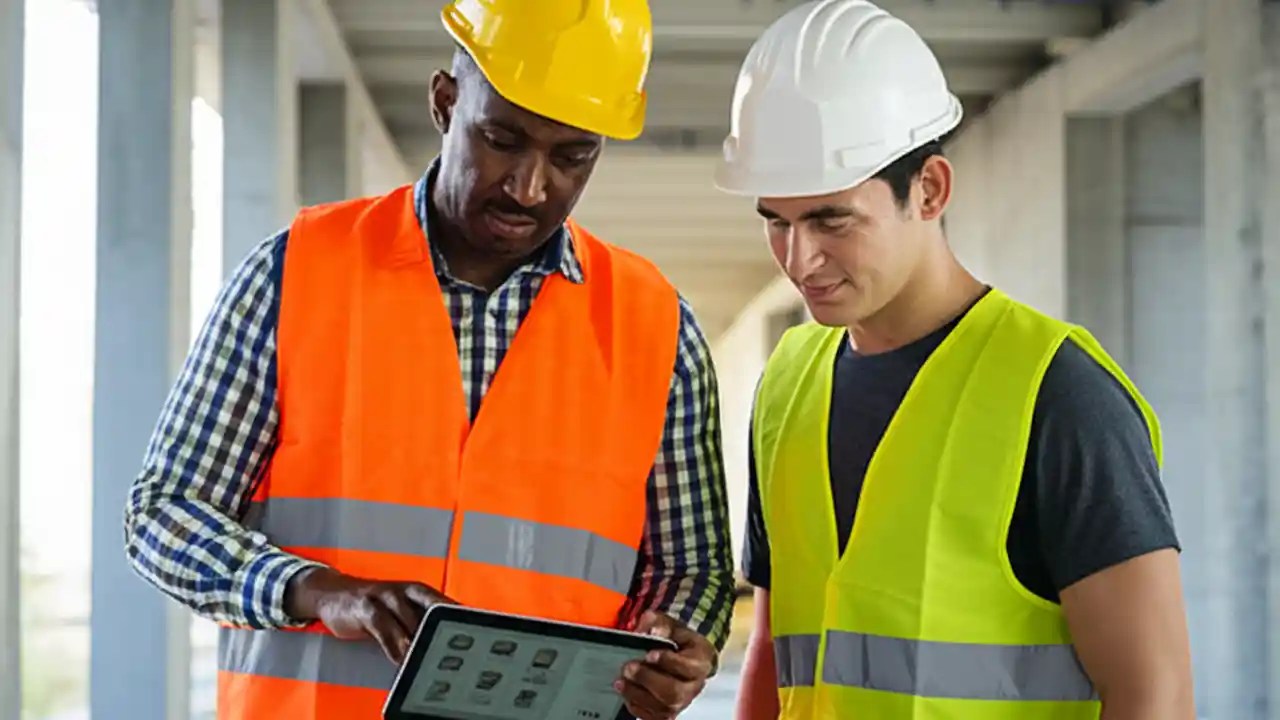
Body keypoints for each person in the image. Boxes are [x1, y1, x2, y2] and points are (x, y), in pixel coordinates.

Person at [123, 2, 734, 718]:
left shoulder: (656, 327)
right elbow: (163, 516)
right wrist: (318, 592)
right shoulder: (297, 274)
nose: (530, 188)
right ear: (445, 102)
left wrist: (677, 644)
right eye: (502, 139)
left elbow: (693, 571)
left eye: (572, 157)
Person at [711, 1, 1195, 718]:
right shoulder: (787, 384)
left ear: (930, 189)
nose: (798, 259)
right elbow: (775, 655)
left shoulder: (1057, 394)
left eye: (831, 220)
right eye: (776, 223)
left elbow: (1156, 695)